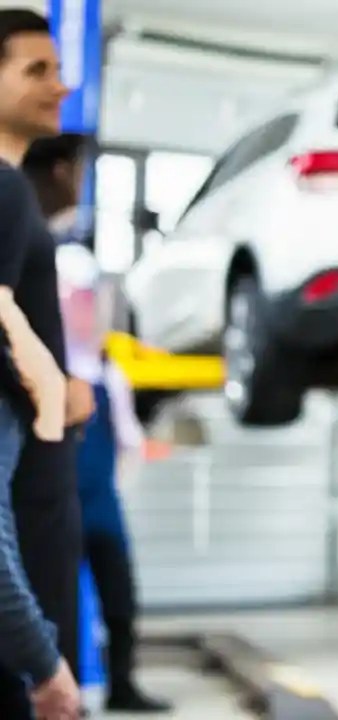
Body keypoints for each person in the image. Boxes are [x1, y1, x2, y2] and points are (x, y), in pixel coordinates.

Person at [26, 136, 173, 713]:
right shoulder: (48, 368)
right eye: (77, 298)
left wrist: (149, 452)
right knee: (54, 601)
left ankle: (123, 684)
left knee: (120, 596)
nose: (87, 307)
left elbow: (131, 438)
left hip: (104, 503)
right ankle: (61, 697)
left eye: (92, 298)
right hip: (56, 503)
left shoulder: (109, 373)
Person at [0, 8, 96, 719]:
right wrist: (42, 660)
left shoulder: (17, 194)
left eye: (60, 69)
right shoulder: (3, 190)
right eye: (38, 70)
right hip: (24, 531)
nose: (61, 87)